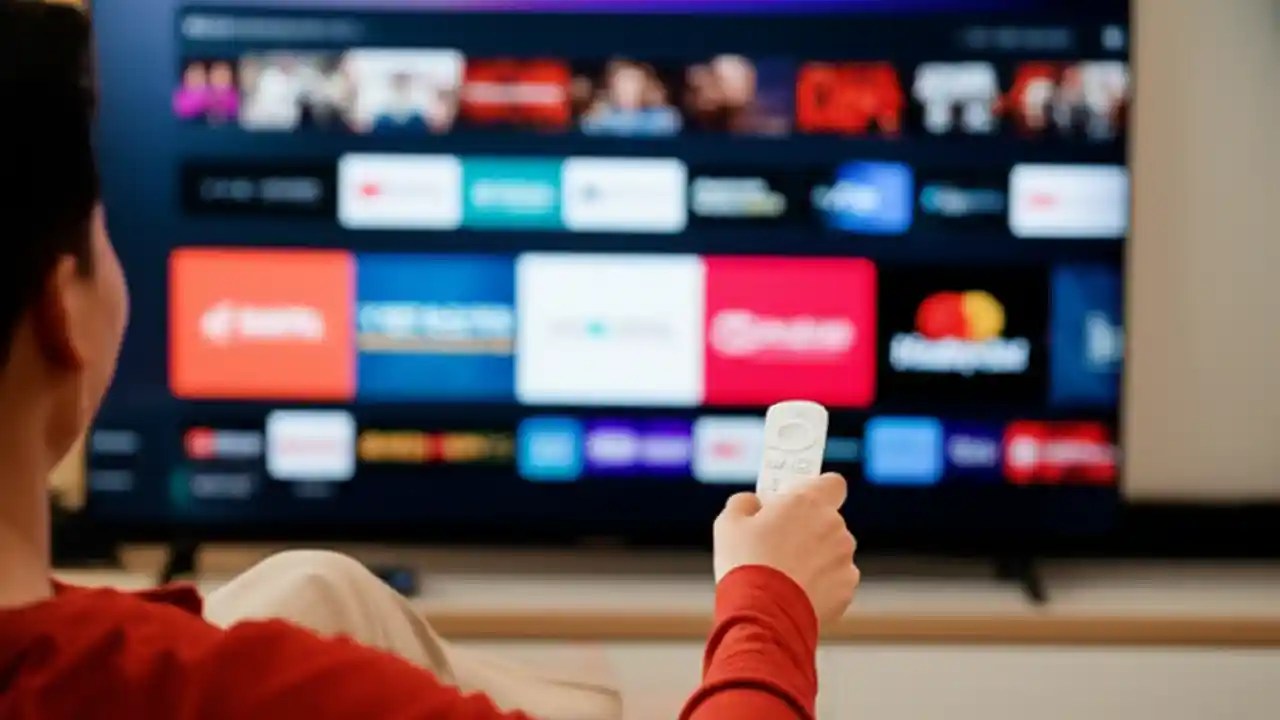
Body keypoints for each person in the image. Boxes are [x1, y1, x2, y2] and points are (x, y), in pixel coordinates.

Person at [0, 4, 861, 720]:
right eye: (106, 233)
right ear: (60, 308)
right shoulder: (245, 692)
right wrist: (771, 596)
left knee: (317, 588)